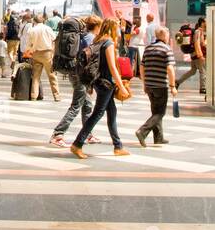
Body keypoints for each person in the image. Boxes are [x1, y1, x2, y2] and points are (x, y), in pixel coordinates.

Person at [70, 19, 132, 160]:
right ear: (112, 28)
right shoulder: (108, 43)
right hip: (106, 84)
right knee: (97, 114)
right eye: (116, 28)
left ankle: (118, 146)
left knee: (112, 111)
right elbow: (112, 67)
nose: (118, 31)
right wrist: (121, 87)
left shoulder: (98, 40)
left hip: (99, 82)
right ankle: (77, 144)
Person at [50, 15, 100, 148]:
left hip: (74, 70)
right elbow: (90, 61)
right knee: (76, 105)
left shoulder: (81, 36)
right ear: (96, 26)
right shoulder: (89, 38)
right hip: (80, 74)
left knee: (87, 104)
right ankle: (58, 134)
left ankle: (88, 133)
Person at [135, 26, 177, 147]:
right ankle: (142, 131)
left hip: (149, 85)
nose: (169, 37)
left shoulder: (148, 48)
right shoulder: (166, 49)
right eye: (168, 35)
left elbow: (142, 67)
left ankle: (158, 138)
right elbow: (170, 68)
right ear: (164, 36)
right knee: (160, 113)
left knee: (155, 111)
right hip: (160, 85)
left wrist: (144, 83)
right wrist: (173, 86)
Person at [22, 12, 59, 101]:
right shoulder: (48, 29)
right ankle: (56, 96)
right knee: (52, 76)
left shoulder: (32, 30)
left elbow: (28, 45)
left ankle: (33, 96)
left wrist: (27, 53)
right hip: (47, 54)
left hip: (36, 54)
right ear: (43, 21)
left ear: (34, 21)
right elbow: (54, 39)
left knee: (36, 76)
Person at [175, 16, 207, 94]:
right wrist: (200, 55)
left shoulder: (199, 31)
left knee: (192, 71)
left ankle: (178, 82)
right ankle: (203, 88)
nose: (207, 23)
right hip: (197, 55)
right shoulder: (198, 31)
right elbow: (197, 44)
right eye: (206, 21)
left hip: (194, 54)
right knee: (203, 71)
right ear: (202, 23)